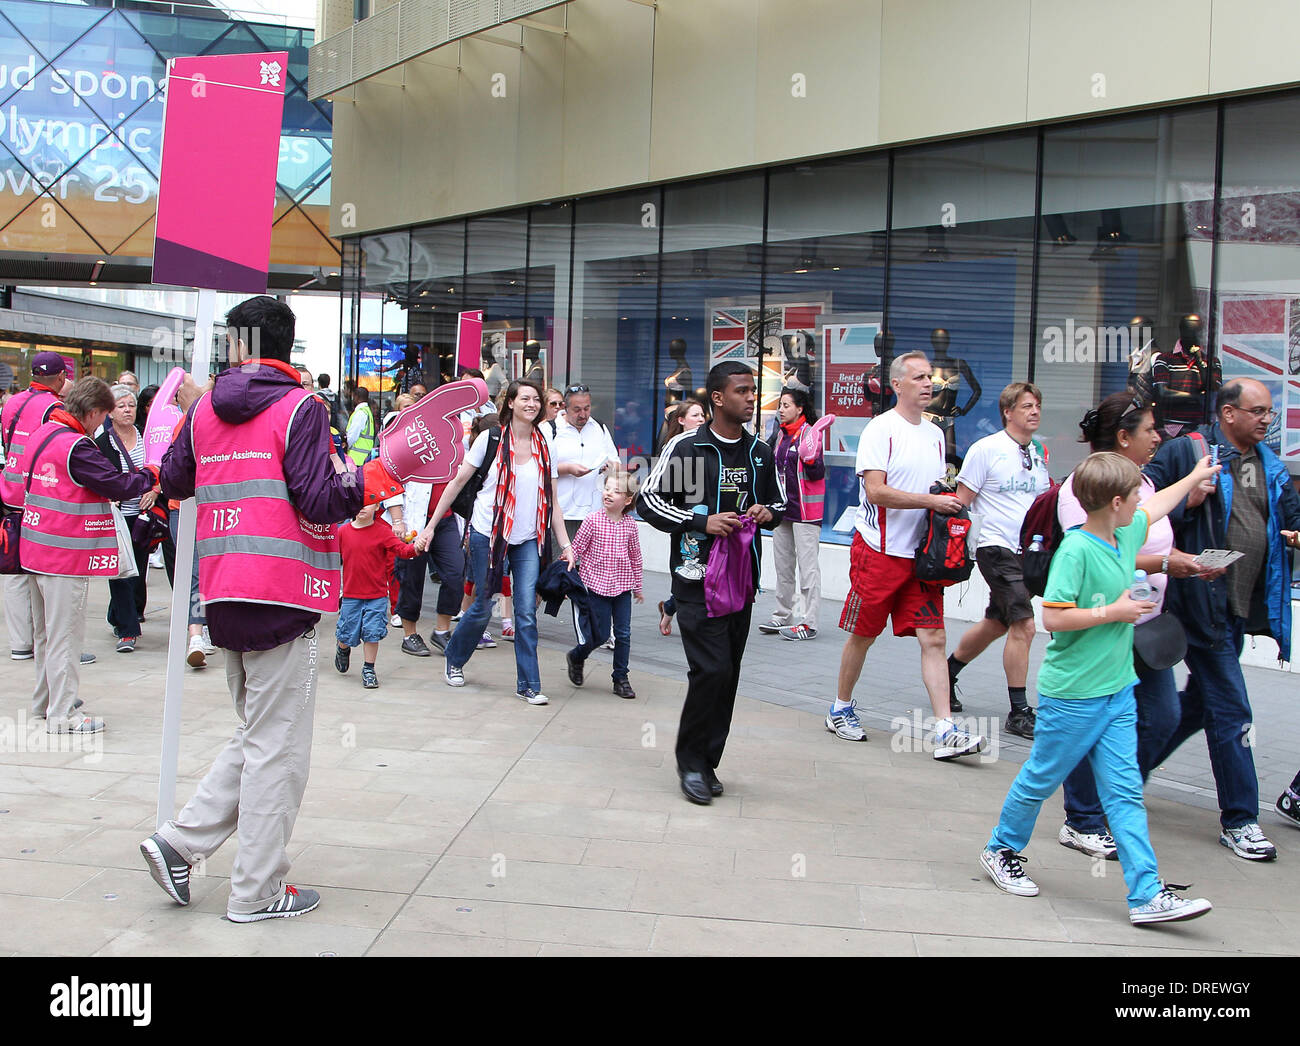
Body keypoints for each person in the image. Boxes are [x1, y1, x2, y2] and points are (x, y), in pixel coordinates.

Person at [141, 295, 365, 923]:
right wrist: (363, 479)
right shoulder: (302, 406)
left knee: (259, 734)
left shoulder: (208, 406)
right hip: (282, 592)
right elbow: (320, 500)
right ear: (287, 345)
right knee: (279, 749)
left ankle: (179, 843)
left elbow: (175, 478)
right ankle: (257, 891)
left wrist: (194, 415)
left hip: (223, 592)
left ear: (237, 344)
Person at [980, 450, 1217, 926]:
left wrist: (1194, 475)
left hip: (1118, 692)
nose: (1141, 502)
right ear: (1114, 502)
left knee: (1125, 793)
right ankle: (1001, 849)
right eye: (1135, 496)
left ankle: (1147, 893)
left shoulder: (1125, 533)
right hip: (1073, 697)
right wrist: (1114, 611)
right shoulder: (1077, 550)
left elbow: (1160, 505)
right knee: (1041, 779)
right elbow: (1054, 618)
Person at [1053, 391, 1224, 860]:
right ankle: (1082, 819)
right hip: (1102, 628)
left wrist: (1192, 482)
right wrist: (1170, 562)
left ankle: (1110, 801)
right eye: (1150, 430)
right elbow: (1093, 553)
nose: (1158, 437)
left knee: (1162, 717)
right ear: (1123, 437)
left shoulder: (1143, 484)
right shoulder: (1080, 490)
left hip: (1145, 626)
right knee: (1090, 725)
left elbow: (1154, 514)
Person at [1144, 377, 1300, 862]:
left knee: (1198, 708)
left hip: (1233, 609)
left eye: (1270, 412)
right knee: (1234, 713)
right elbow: (1140, 511)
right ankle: (1240, 819)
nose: (1266, 419)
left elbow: (1289, 519)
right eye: (1257, 411)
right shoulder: (1186, 453)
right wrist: (1187, 504)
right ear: (1228, 414)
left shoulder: (1271, 467)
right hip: (1194, 604)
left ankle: (1114, 780)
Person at [637, 361, 786, 805]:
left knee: (729, 674)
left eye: (753, 391)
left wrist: (765, 513)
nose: (750, 398)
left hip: (741, 579)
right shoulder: (689, 449)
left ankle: (708, 760)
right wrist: (702, 521)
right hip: (696, 578)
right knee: (712, 669)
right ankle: (691, 762)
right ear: (718, 398)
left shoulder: (759, 451)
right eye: (742, 391)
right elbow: (649, 502)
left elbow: (777, 502)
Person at [827, 351, 984, 759]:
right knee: (863, 634)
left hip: (920, 558)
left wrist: (945, 505)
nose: (929, 384)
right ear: (897, 385)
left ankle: (945, 729)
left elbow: (932, 488)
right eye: (918, 377)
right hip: (878, 551)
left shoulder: (935, 433)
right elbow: (875, 491)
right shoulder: (881, 429)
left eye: (930, 377)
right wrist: (930, 504)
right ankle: (840, 707)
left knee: (934, 637)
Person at [417, 379, 575, 704]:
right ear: (512, 403)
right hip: (488, 533)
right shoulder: (490, 439)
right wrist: (430, 525)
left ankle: (529, 684)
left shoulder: (545, 443)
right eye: (525, 398)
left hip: (528, 537)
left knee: (526, 611)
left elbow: (554, 502)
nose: (531, 404)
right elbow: (458, 481)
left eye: (536, 399)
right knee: (483, 605)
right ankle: (455, 657)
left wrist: (566, 544)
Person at [17, 377, 157, 732]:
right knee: (64, 636)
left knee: (45, 636)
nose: (103, 424)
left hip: (34, 547)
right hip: (64, 554)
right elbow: (117, 484)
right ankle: (63, 715)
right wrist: (151, 475)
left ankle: (46, 703)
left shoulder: (42, 433)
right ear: (93, 411)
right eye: (103, 416)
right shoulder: (77, 446)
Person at [945, 383, 1050, 738]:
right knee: (1025, 626)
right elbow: (961, 500)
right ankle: (1019, 711)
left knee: (999, 622)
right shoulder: (986, 450)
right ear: (1008, 411)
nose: (1034, 411)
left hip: (1027, 553)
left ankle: (948, 671)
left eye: (1037, 406)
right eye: (1026, 406)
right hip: (995, 547)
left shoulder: (1037, 452)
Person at [2, 351, 67, 661]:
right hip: (37, 496)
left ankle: (19, 643)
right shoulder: (54, 407)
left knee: (12, 569)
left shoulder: (11, 402)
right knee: (44, 572)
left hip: (8, 491)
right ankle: (50, 644)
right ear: (60, 378)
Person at [565, 470, 644, 699]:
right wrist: (569, 580)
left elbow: (635, 556)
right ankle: (577, 656)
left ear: (627, 500)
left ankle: (621, 678)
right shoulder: (592, 520)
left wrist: (637, 586)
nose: (609, 493)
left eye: (616, 491)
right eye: (607, 488)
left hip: (622, 588)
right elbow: (576, 550)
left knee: (623, 634)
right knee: (598, 636)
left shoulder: (630, 525)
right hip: (596, 588)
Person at [757, 388, 826, 642]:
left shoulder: (811, 434)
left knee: (808, 569)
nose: (781, 409)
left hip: (806, 512)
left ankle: (809, 622)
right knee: (783, 566)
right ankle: (782, 615)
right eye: (780, 405)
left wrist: (810, 460)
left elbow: (818, 473)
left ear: (800, 408)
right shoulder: (780, 436)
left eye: (786, 405)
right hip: (783, 509)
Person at [95, 384, 158, 653]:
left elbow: (159, 466)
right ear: (110, 412)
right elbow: (97, 476)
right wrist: (109, 494)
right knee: (120, 571)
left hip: (143, 516)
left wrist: (155, 491)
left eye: (130, 405)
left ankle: (118, 615)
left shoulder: (147, 437)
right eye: (121, 406)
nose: (127, 410)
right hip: (117, 517)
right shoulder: (102, 443)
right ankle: (129, 630)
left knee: (137, 572)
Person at [335, 502, 419, 688]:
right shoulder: (343, 532)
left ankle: (369, 668)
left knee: (372, 633)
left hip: (377, 595)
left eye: (368, 503)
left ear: (377, 507)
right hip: (351, 594)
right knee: (346, 631)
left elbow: (401, 550)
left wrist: (416, 547)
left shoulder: (382, 532)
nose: (362, 507)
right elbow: (332, 558)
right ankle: (342, 648)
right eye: (358, 502)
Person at [654, 399, 707, 636]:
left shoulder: (709, 445)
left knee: (703, 575)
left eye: (703, 415)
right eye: (695, 415)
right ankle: (671, 609)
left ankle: (671, 608)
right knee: (688, 573)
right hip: (687, 521)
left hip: (710, 520)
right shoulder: (674, 447)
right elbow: (664, 492)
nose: (701, 419)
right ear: (682, 421)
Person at [547, 385, 626, 542]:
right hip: (562, 513)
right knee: (560, 565)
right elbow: (538, 467)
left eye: (587, 408)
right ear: (565, 407)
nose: (583, 414)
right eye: (577, 409)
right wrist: (567, 469)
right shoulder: (550, 429)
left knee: (592, 565)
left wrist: (609, 468)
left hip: (595, 513)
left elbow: (616, 462)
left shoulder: (599, 427)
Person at [346, 385, 377, 466]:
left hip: (356, 458)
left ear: (357, 397)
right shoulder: (367, 411)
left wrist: (346, 447)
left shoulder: (360, 413)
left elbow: (352, 436)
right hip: (365, 457)